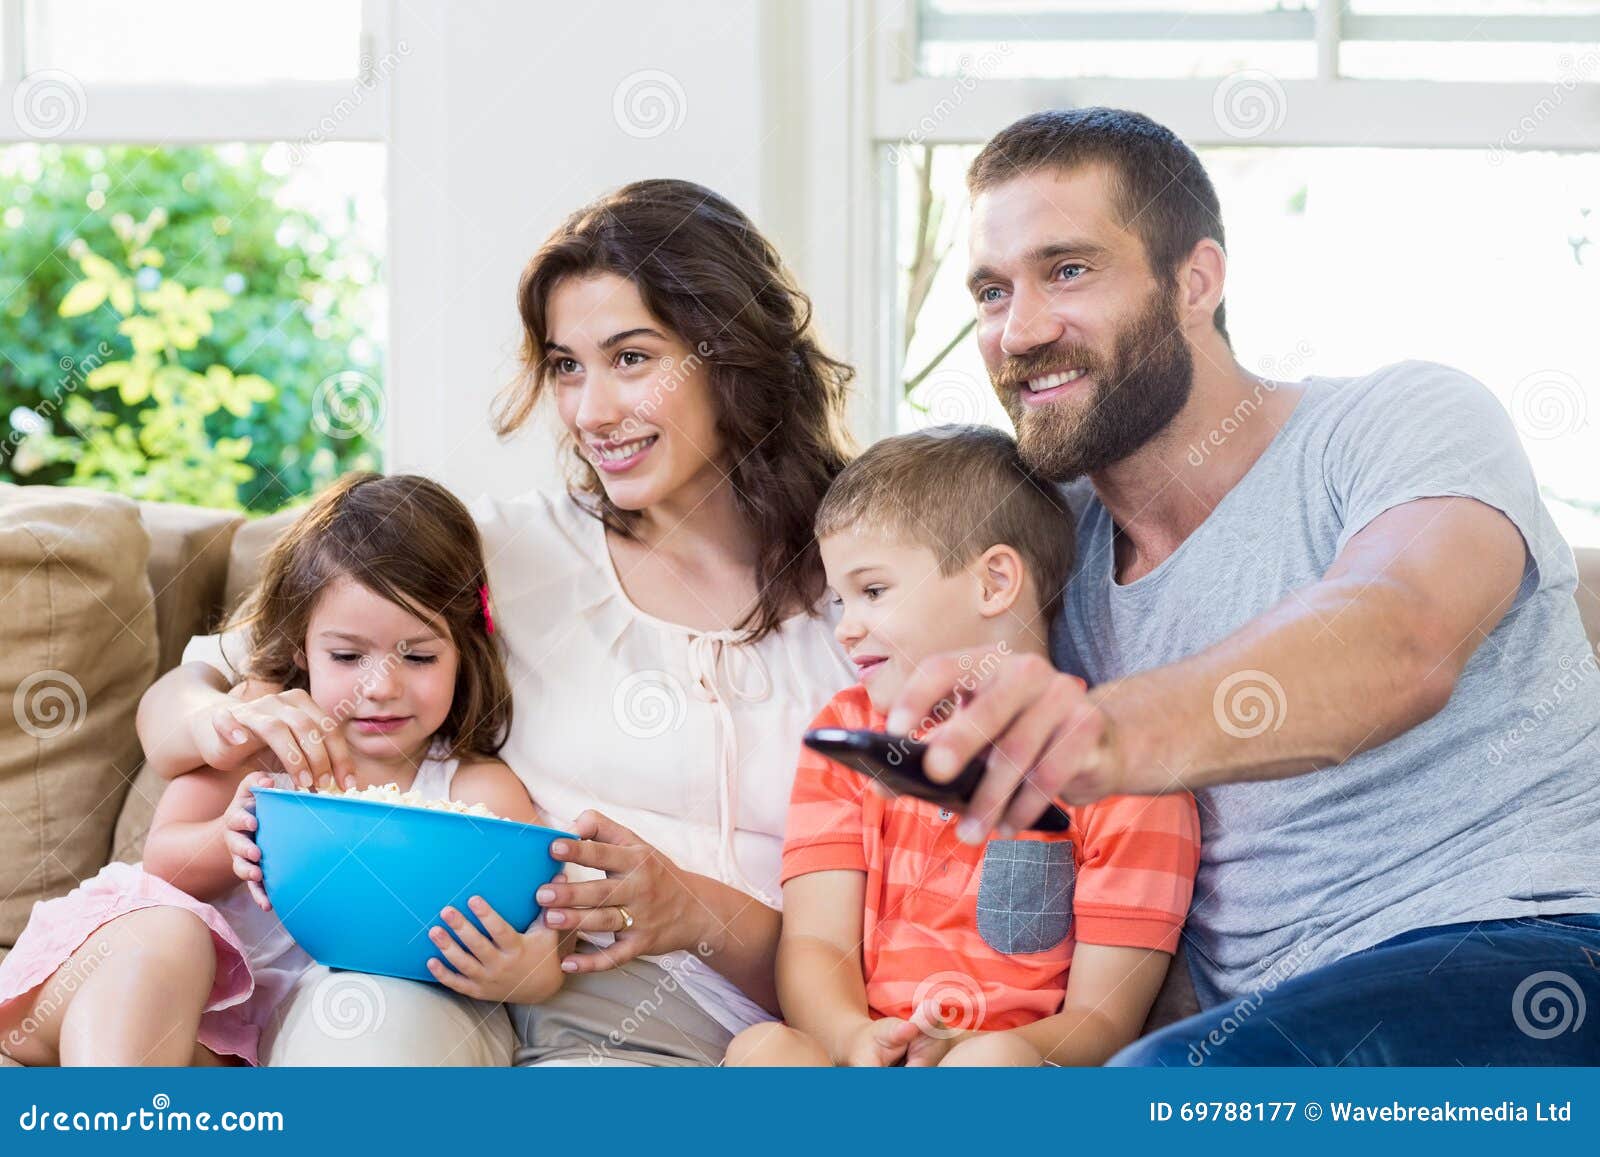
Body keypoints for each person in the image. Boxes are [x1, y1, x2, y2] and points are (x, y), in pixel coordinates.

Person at [887, 107, 1600, 1065]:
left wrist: (1103, 733)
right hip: (1260, 1029)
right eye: (988, 291)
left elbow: (1401, 635)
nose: (1018, 332)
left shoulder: (1401, 419)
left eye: (1068, 270)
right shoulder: (1044, 545)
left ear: (1196, 281)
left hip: (1527, 954)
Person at [137, 179, 860, 1066]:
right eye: (566, 365)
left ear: (731, 356)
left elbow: (892, 932)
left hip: (761, 1029)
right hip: (476, 980)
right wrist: (224, 722)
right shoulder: (503, 548)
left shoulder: (862, 592)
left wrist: (693, 910)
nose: (591, 411)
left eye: (632, 358)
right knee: (364, 1026)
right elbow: (196, 680)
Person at [0, 474, 554, 1067]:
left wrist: (525, 973)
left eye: (418, 656)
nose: (381, 687)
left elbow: (541, 928)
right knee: (174, 935)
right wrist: (229, 836)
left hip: (232, 1043)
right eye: (347, 656)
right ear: (301, 650)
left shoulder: (472, 788)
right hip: (116, 980)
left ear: (464, 649)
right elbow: (166, 863)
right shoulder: (267, 734)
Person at [726, 427, 1200, 1067]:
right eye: (839, 600)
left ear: (994, 582)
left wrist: (977, 1049)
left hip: (1004, 1074)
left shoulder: (1125, 777)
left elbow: (1102, 1020)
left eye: (872, 591)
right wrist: (853, 1038)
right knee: (763, 1049)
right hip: (860, 1063)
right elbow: (814, 942)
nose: (845, 627)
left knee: (989, 1068)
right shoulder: (852, 738)